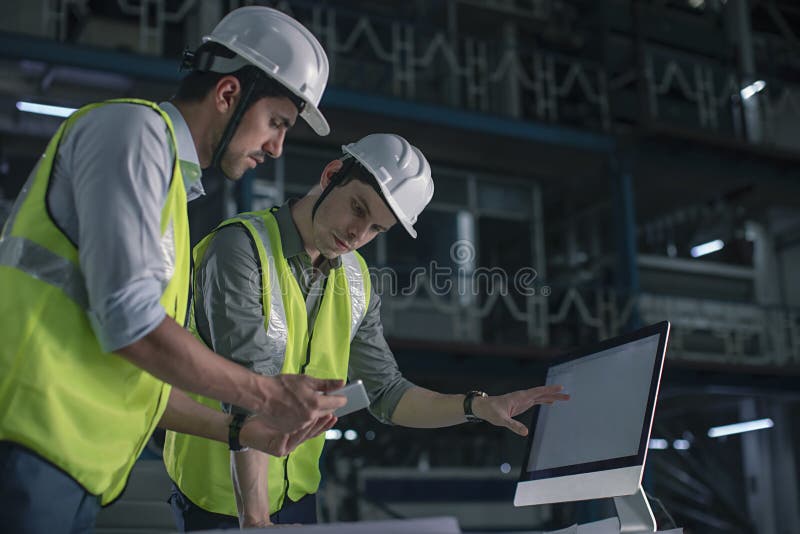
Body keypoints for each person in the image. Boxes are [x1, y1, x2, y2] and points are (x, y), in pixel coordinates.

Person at [0, 7, 347, 533]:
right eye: (277, 122)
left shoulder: (174, 202)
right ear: (228, 95)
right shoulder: (133, 131)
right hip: (24, 442)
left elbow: (146, 380)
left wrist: (242, 433)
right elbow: (130, 324)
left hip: (70, 468)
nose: (277, 147)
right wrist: (269, 394)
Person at [164, 133, 570, 530]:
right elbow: (251, 396)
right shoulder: (240, 249)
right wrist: (254, 520)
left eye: (377, 228)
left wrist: (477, 406)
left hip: (299, 500)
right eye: (358, 208)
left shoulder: (357, 279)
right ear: (331, 175)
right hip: (223, 505)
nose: (359, 234)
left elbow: (389, 394)